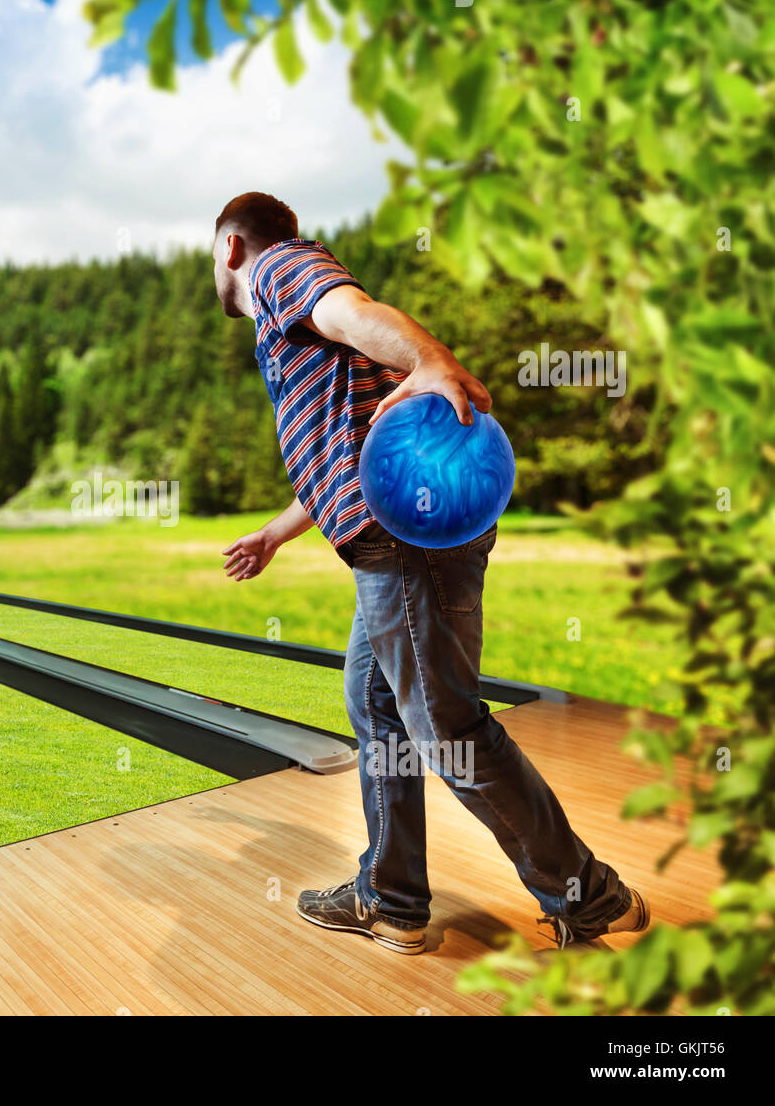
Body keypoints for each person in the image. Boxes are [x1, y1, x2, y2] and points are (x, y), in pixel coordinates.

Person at [214, 191, 648, 954]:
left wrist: (432, 358)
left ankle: (585, 893)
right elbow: (346, 450)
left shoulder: (280, 267)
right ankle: (392, 898)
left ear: (228, 250)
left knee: (442, 725)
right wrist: (277, 534)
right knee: (377, 704)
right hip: (390, 534)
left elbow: (353, 309)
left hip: (401, 540)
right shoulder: (299, 343)